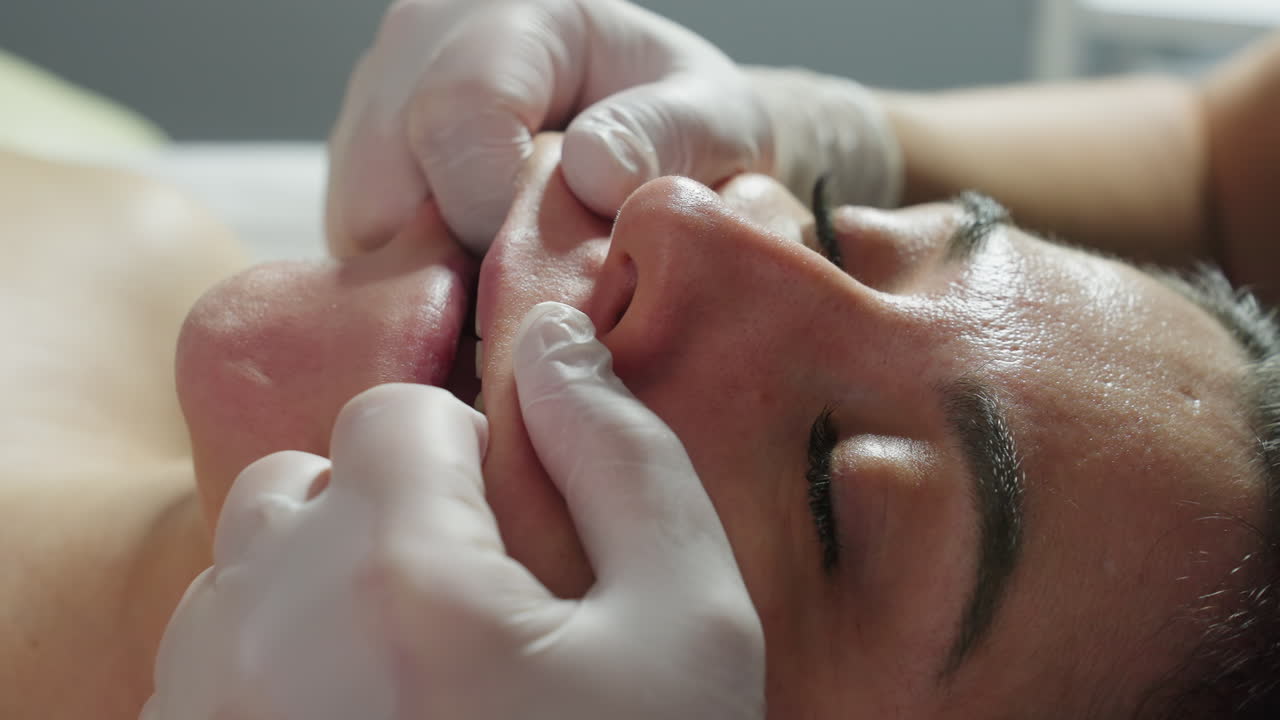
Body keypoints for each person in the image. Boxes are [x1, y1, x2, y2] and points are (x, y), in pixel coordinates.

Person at [2, 2, 1277, 719]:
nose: (677, 220)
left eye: (834, 493)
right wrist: (825, 122)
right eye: (837, 225)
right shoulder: (115, 246)